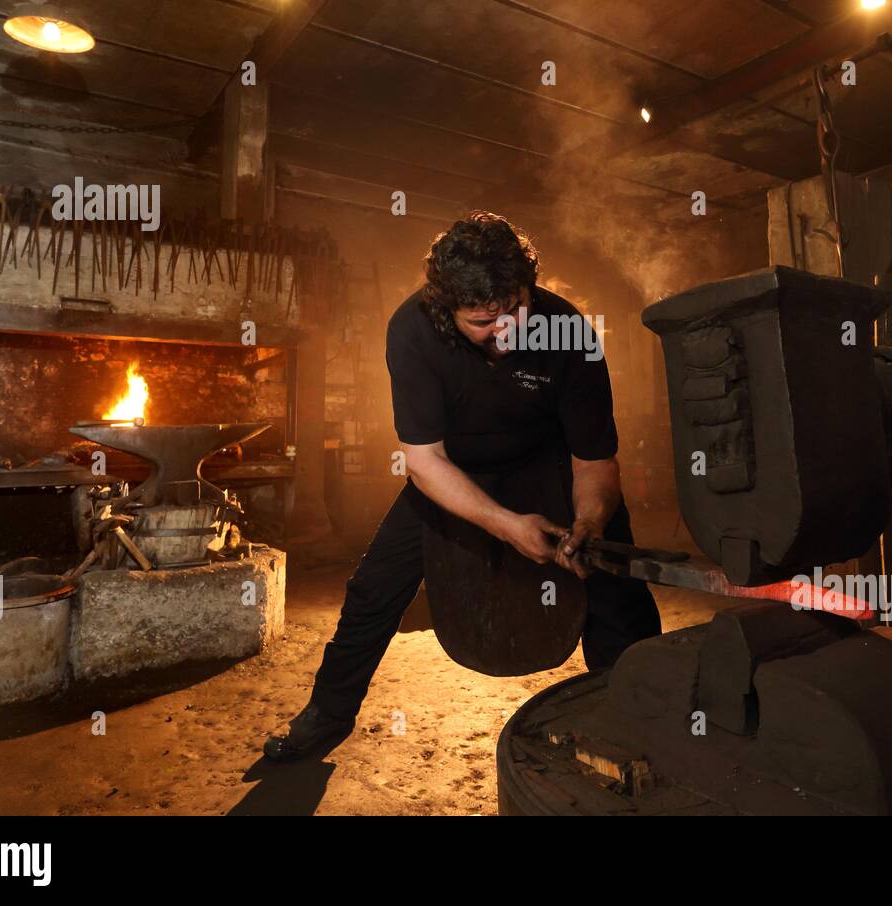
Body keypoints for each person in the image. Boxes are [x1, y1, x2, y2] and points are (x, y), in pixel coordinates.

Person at [264, 211, 661, 760]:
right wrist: (505, 526)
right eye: (481, 321)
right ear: (447, 309)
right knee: (372, 592)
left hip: (548, 468)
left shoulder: (569, 332)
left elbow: (594, 460)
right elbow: (424, 463)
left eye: (515, 311)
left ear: (528, 286)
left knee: (618, 587)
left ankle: (644, 723)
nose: (503, 330)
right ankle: (326, 717)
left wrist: (589, 524)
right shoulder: (413, 329)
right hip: (454, 471)